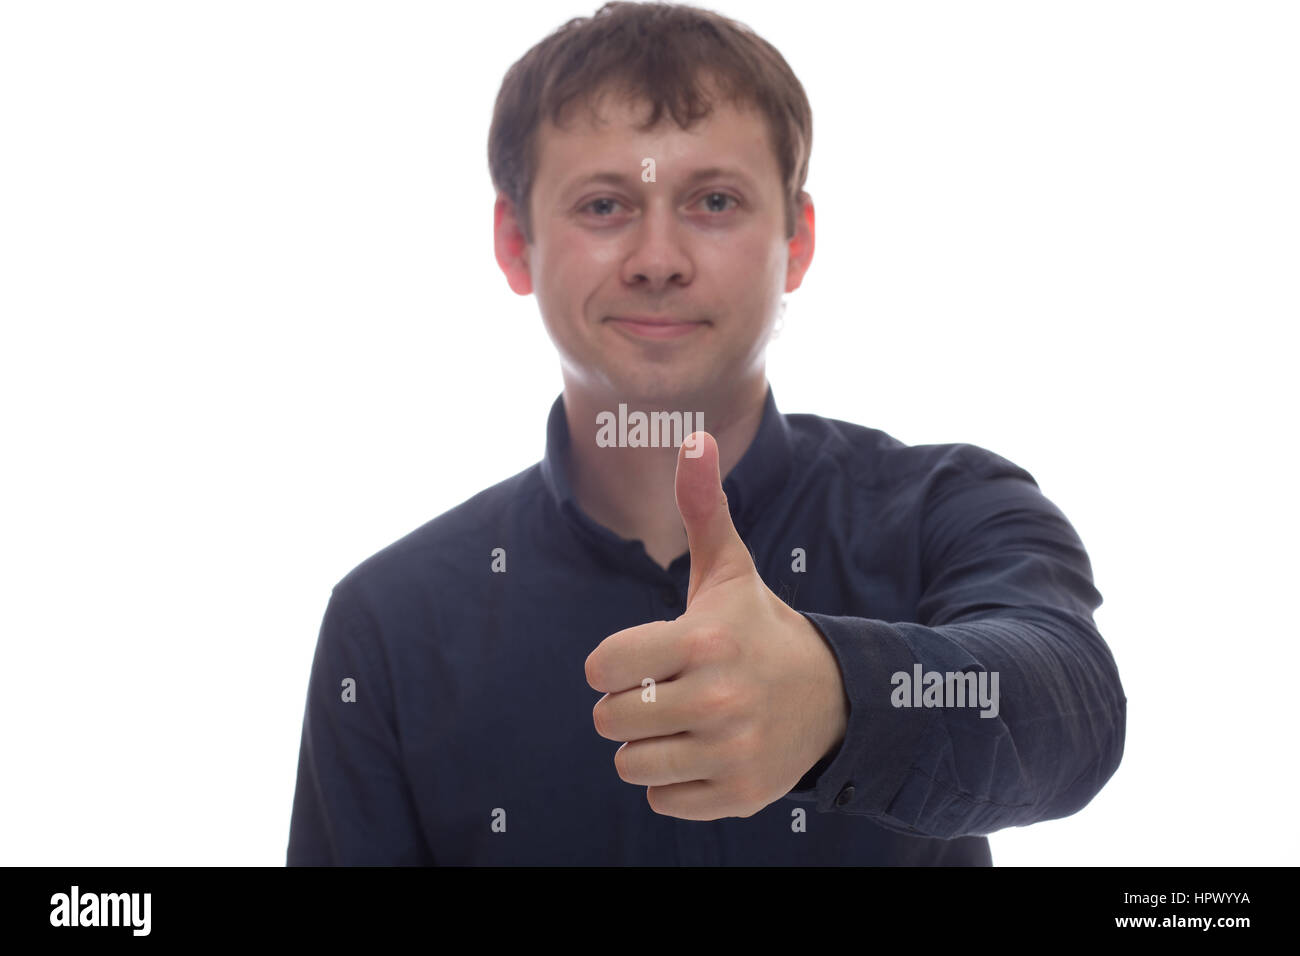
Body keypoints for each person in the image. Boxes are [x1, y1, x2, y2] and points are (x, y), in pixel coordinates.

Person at [287, 1, 1126, 866]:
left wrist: (835, 694)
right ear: (515, 242)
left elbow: (1074, 707)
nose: (659, 258)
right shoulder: (387, 624)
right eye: (605, 204)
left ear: (797, 240)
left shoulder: (947, 510)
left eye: (714, 201)